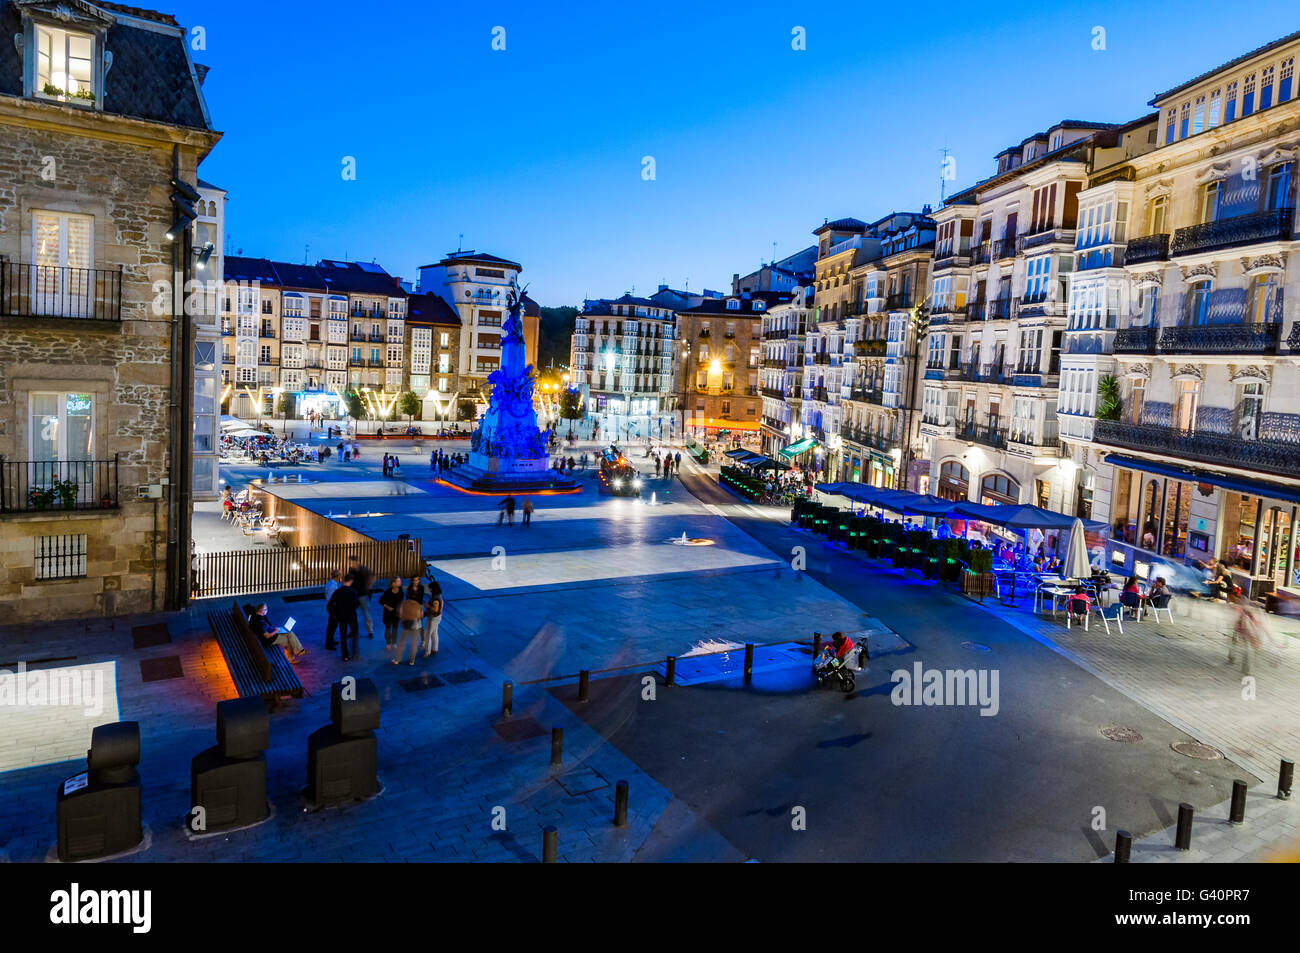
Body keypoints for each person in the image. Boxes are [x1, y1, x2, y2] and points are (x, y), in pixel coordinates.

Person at [393, 590, 425, 666]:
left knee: (401, 643)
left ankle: (397, 660)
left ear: (407, 596)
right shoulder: (419, 605)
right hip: (415, 626)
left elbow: (399, 615)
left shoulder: (403, 604)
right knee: (414, 644)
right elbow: (421, 616)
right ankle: (412, 661)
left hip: (406, 625)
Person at [348, 555, 376, 639]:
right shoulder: (351, 570)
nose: (351, 564)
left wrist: (369, 586)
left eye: (352, 562)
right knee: (351, 614)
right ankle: (352, 631)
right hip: (354, 595)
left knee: (366, 614)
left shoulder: (364, 569)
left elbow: (373, 576)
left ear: (356, 561)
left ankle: (370, 631)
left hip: (363, 595)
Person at [379, 577, 404, 650]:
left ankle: (394, 642)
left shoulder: (401, 591)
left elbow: (401, 603)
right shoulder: (388, 591)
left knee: (395, 628)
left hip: (396, 613)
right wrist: (388, 607)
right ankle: (388, 643)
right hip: (388, 613)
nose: (400, 582)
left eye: (400, 581)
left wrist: (401, 612)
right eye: (398, 581)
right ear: (394, 583)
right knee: (388, 628)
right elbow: (380, 601)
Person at [323, 568, 343, 650]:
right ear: (337, 576)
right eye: (340, 574)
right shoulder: (332, 586)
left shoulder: (332, 583)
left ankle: (331, 640)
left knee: (333, 625)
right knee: (332, 625)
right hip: (333, 607)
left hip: (331, 606)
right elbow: (332, 599)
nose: (341, 576)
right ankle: (328, 644)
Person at [422, 582, 443, 657]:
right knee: (434, 633)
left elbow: (435, 610)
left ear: (433, 589)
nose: (429, 589)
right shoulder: (438, 595)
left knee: (427, 634)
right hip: (437, 617)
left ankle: (427, 652)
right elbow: (441, 605)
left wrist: (427, 606)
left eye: (430, 588)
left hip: (433, 618)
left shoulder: (435, 598)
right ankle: (435, 649)